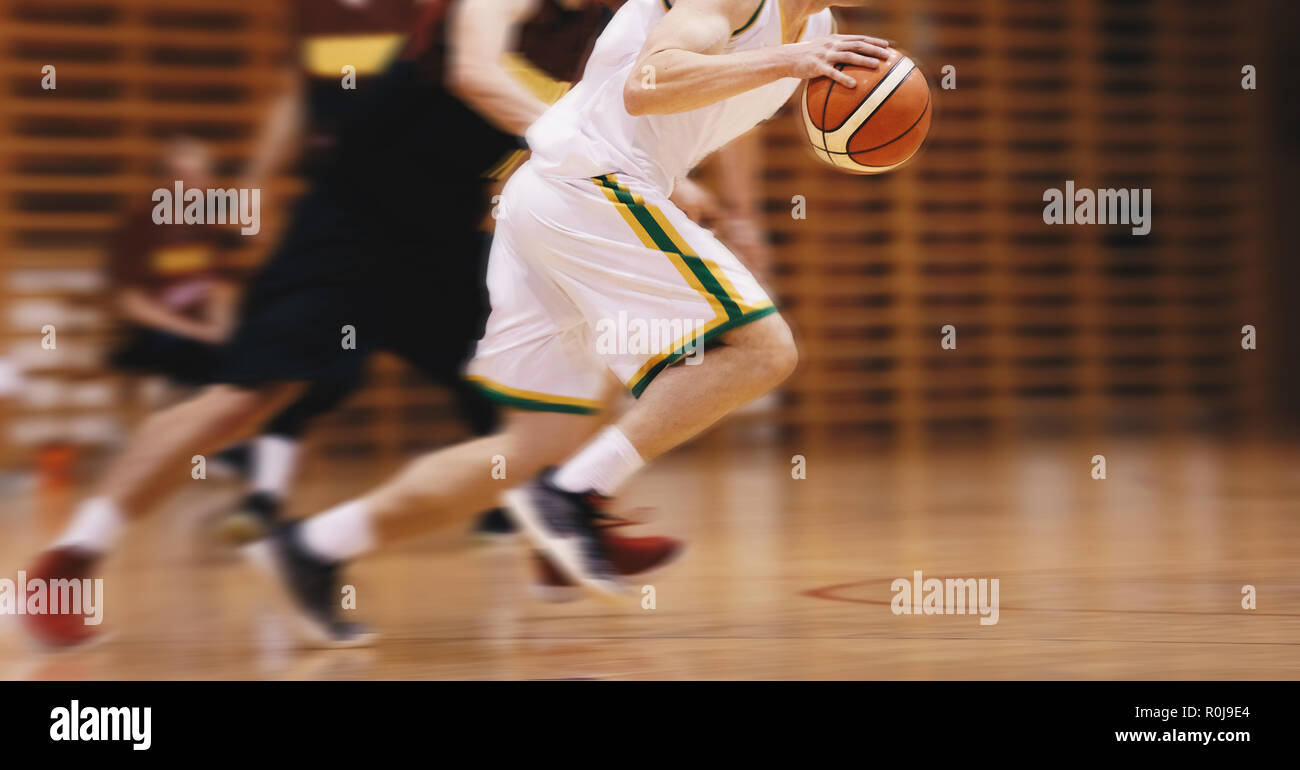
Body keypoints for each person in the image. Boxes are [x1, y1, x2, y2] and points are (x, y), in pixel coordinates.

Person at [21, 0, 699, 649]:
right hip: (351, 220)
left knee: (555, 381)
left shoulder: (606, 27)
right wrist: (583, 141)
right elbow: (475, 74)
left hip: (442, 234)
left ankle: (561, 528)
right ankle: (66, 566)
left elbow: (633, 113)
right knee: (246, 398)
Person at [244, 0, 889, 641]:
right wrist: (790, 58)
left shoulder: (820, 30)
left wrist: (745, 215)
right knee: (762, 352)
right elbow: (649, 83)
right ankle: (575, 496)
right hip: (593, 180)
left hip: (552, 197)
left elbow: (737, 105)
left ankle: (313, 547)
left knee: (526, 449)